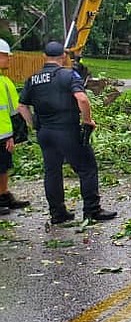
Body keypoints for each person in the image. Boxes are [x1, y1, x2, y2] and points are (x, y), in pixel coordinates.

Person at [17, 41, 116, 225]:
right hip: (67, 130)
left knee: (52, 171)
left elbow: (22, 106)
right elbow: (82, 99)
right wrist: (87, 120)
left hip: (45, 132)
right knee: (86, 168)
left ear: (44, 57)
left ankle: (58, 213)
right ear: (63, 56)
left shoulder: (33, 79)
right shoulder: (69, 75)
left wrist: (33, 125)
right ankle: (92, 210)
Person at [0, 38, 30, 215]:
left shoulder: (4, 81)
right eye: (6, 56)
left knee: (3, 166)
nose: (9, 59)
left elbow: (13, 110)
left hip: (4, 134)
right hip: (2, 134)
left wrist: (13, 135)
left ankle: (3, 195)